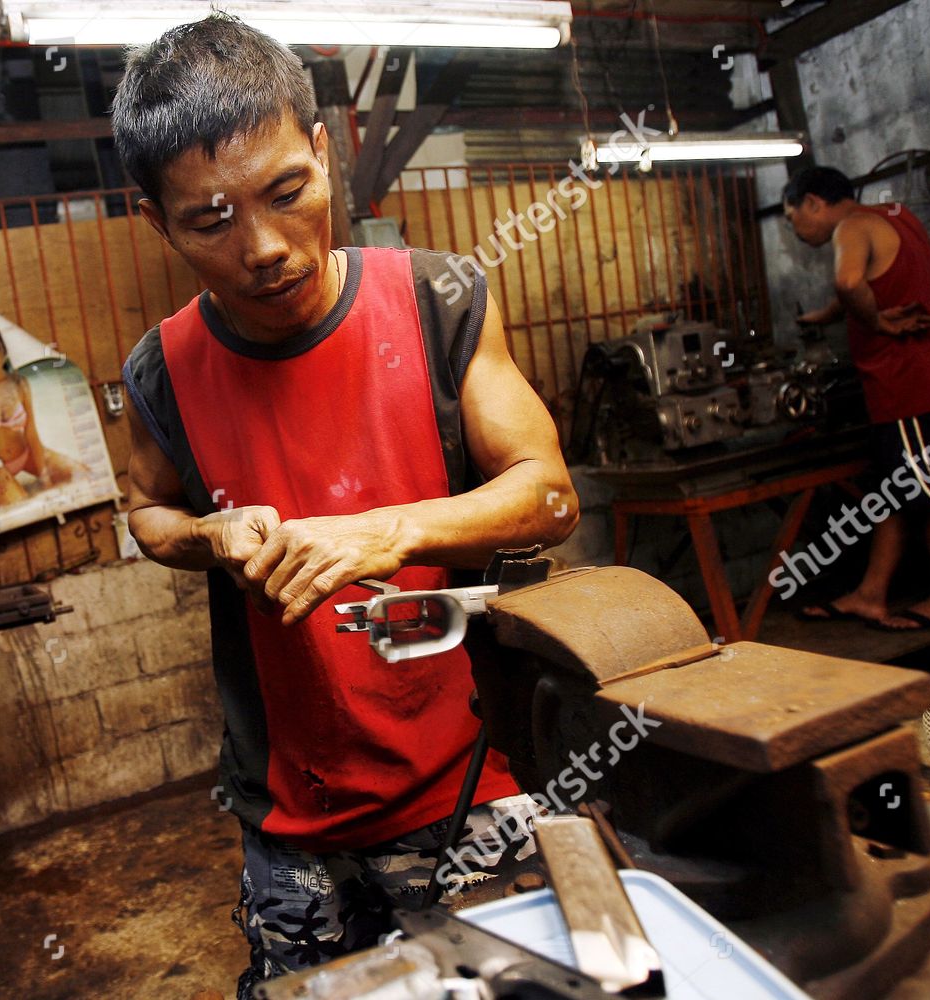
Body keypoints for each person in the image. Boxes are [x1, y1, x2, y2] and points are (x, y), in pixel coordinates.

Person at [111, 15, 577, 996]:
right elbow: (144, 512)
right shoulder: (162, 370)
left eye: (289, 192)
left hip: (473, 780)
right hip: (290, 817)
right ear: (155, 219)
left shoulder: (440, 299)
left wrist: (389, 528)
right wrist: (208, 533)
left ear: (324, 153)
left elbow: (549, 493)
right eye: (210, 221)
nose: (267, 247)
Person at [786, 166, 930, 630]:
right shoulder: (896, 216)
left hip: (913, 383)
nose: (796, 230)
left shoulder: (850, 227)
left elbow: (850, 283)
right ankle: (871, 595)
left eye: (792, 219)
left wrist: (879, 325)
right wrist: (825, 316)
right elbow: (871, 283)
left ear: (813, 202)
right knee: (896, 490)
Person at [0, 320, 79, 509]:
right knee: (21, 507)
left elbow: (31, 431)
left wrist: (45, 476)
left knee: (80, 474)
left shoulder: (19, 382)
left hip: (25, 454)